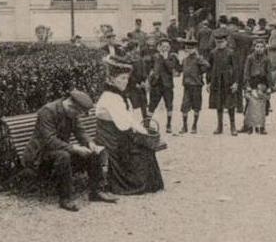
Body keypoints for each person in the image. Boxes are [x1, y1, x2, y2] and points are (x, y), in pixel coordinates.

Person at [22, 90, 116, 212]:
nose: (79, 116)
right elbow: (49, 141)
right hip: (39, 158)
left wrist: (90, 143)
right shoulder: (47, 111)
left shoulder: (72, 113)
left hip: (58, 152)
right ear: (71, 106)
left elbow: (80, 131)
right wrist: (74, 148)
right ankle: (66, 198)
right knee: (64, 156)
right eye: (79, 113)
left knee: (92, 151)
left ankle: (96, 191)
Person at [95, 57, 165, 195]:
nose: (125, 82)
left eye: (126, 78)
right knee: (141, 150)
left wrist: (143, 132)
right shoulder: (110, 97)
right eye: (121, 78)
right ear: (111, 80)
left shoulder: (119, 95)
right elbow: (124, 124)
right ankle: (132, 185)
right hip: (110, 139)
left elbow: (130, 119)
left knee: (145, 148)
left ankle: (148, 184)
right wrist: (143, 133)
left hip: (118, 134)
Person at [207, 27, 241, 135]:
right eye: (217, 42)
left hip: (228, 81)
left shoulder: (231, 53)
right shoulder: (213, 53)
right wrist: (208, 82)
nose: (219, 44)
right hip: (217, 81)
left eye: (221, 42)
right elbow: (209, 68)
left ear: (226, 42)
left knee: (230, 104)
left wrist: (236, 82)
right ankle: (219, 126)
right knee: (218, 104)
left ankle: (233, 127)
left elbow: (236, 69)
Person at [241, 32, 272, 132]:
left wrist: (269, 86)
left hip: (262, 82)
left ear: (264, 48)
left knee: (262, 105)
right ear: (254, 47)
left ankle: (261, 126)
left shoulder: (267, 59)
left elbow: (269, 73)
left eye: (261, 47)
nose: (259, 49)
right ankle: (247, 125)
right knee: (249, 104)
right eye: (257, 46)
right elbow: (246, 72)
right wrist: (247, 85)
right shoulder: (250, 58)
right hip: (252, 81)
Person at [148, 37, 180, 133]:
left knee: (169, 105)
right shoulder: (155, 56)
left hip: (167, 85)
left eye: (167, 47)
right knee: (152, 105)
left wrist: (165, 59)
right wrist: (150, 78)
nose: (165, 48)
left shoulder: (172, 57)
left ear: (169, 48)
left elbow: (171, 69)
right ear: (159, 47)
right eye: (163, 46)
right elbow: (150, 68)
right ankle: (147, 123)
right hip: (156, 85)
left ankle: (168, 125)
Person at [179, 38, 210, 134]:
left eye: (191, 48)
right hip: (187, 86)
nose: (189, 50)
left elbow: (207, 65)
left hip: (196, 85)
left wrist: (199, 73)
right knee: (184, 106)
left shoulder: (198, 58)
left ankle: (194, 126)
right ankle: (184, 126)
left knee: (196, 106)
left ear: (195, 48)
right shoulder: (185, 60)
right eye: (187, 48)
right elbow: (181, 69)